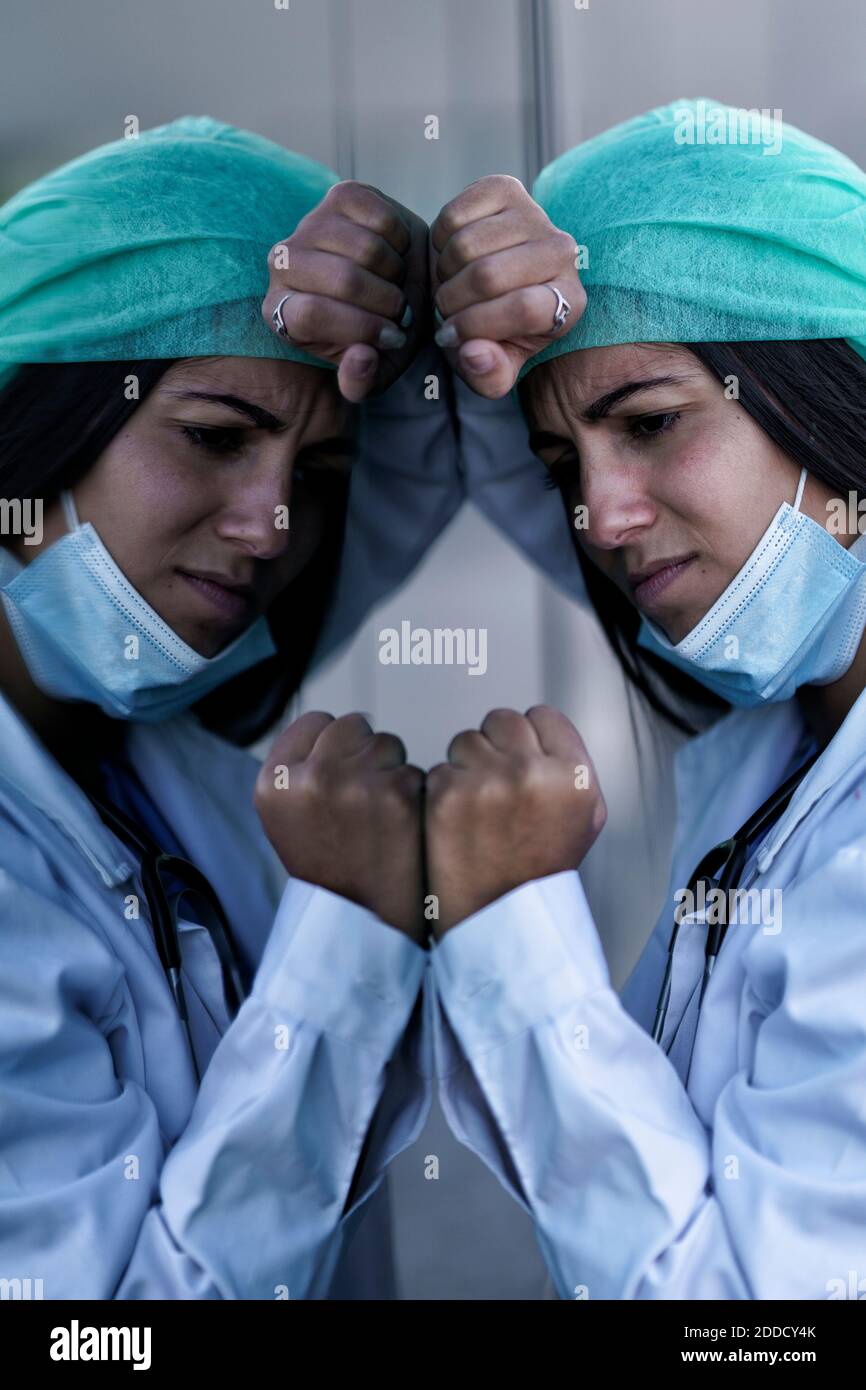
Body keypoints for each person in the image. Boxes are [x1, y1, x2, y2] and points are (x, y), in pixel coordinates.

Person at [0, 115, 478, 1301]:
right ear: (34, 429)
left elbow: (445, 471)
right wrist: (348, 943)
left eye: (312, 482)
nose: (270, 527)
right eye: (214, 437)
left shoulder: (157, 718)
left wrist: (419, 311)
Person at [414, 98, 866, 1299]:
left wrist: (511, 926)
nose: (599, 517)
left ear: (831, 395)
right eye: (565, 466)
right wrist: (459, 332)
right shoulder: (773, 729)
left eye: (653, 423)